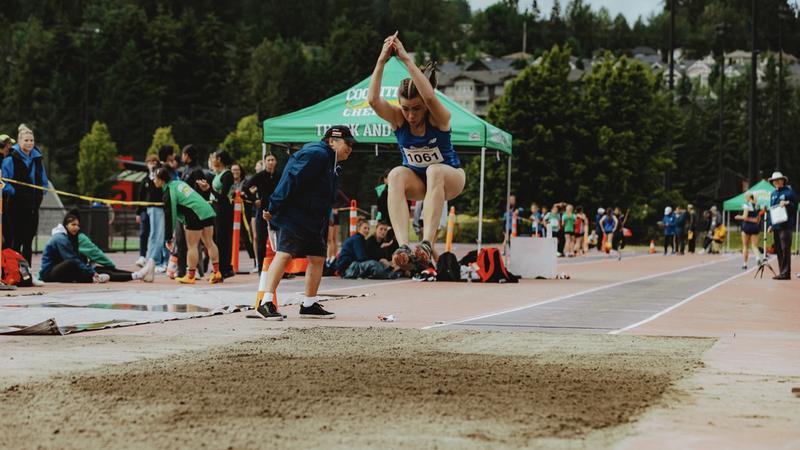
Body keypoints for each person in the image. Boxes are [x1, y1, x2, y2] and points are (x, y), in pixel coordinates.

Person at [368, 33, 465, 271]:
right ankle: (403, 246)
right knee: (396, 174)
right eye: (405, 109)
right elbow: (372, 100)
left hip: (450, 178)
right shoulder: (399, 120)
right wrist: (382, 60)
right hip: (419, 183)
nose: (411, 115)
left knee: (434, 170)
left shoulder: (439, 118)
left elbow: (430, 97)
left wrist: (405, 59)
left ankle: (427, 243)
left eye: (416, 109)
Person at [254, 125, 353, 320]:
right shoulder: (316, 154)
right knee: (284, 255)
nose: (350, 148)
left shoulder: (330, 162)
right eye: (347, 143)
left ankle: (308, 304)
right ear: (332, 141)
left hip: (313, 220)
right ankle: (265, 302)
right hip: (295, 216)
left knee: (317, 259)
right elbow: (291, 179)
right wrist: (272, 207)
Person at [155, 167, 222, 284]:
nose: (154, 181)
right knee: (210, 242)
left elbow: (171, 215)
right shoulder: (178, 183)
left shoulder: (169, 192)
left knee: (192, 246)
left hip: (193, 214)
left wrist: (168, 238)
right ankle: (217, 273)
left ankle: (190, 276)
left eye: (155, 179)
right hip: (206, 209)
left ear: (161, 180)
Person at [2, 124, 49, 264]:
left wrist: (42, 191)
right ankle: (14, 272)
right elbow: (4, 182)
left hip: (33, 207)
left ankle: (26, 273)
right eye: (26, 140)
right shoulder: (10, 160)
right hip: (15, 207)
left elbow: (44, 180)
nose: (29, 143)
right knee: (16, 241)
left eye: (32, 140)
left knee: (28, 242)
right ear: (19, 141)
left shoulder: (38, 160)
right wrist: (14, 192)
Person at [197, 150, 235, 278]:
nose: (213, 159)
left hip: (224, 209)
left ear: (220, 159)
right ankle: (219, 268)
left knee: (222, 239)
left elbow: (222, 196)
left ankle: (224, 269)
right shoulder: (218, 174)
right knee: (216, 238)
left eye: (215, 157)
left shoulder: (228, 174)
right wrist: (207, 189)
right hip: (216, 208)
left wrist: (209, 188)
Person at [174, 144, 209, 279]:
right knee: (180, 243)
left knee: (194, 244)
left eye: (183, 154)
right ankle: (181, 271)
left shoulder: (197, 171)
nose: (182, 156)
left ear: (187, 155)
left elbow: (200, 193)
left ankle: (196, 271)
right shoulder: (186, 169)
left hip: (192, 212)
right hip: (182, 211)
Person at [242, 153, 280, 272]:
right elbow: (246, 188)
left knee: (278, 240)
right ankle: (260, 268)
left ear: (276, 162)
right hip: (262, 210)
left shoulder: (280, 175)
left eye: (272, 160)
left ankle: (280, 268)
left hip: (276, 210)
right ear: (264, 162)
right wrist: (255, 200)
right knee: (261, 239)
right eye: (268, 160)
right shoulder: (260, 175)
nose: (270, 162)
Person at [767, 171, 797, 280]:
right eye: (774, 181)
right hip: (776, 226)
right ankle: (782, 272)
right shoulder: (773, 194)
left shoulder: (789, 192)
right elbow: (772, 210)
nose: (776, 182)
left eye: (778, 180)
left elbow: (795, 208)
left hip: (786, 225)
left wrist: (788, 203)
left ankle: (786, 273)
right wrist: (770, 224)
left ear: (783, 180)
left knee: (785, 249)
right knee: (778, 249)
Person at [734, 193, 762, 270]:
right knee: (754, 246)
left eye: (745, 197)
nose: (745, 198)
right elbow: (758, 219)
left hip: (746, 227)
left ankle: (745, 263)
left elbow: (745, 216)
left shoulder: (746, 205)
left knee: (745, 246)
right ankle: (757, 258)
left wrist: (738, 217)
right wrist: (754, 221)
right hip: (755, 227)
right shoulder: (757, 205)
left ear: (749, 197)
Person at [1, 133, 16, 248]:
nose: (11, 146)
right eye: (10, 143)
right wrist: (12, 190)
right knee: (7, 234)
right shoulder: (5, 160)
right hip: (3, 200)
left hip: (5, 200)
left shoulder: (8, 158)